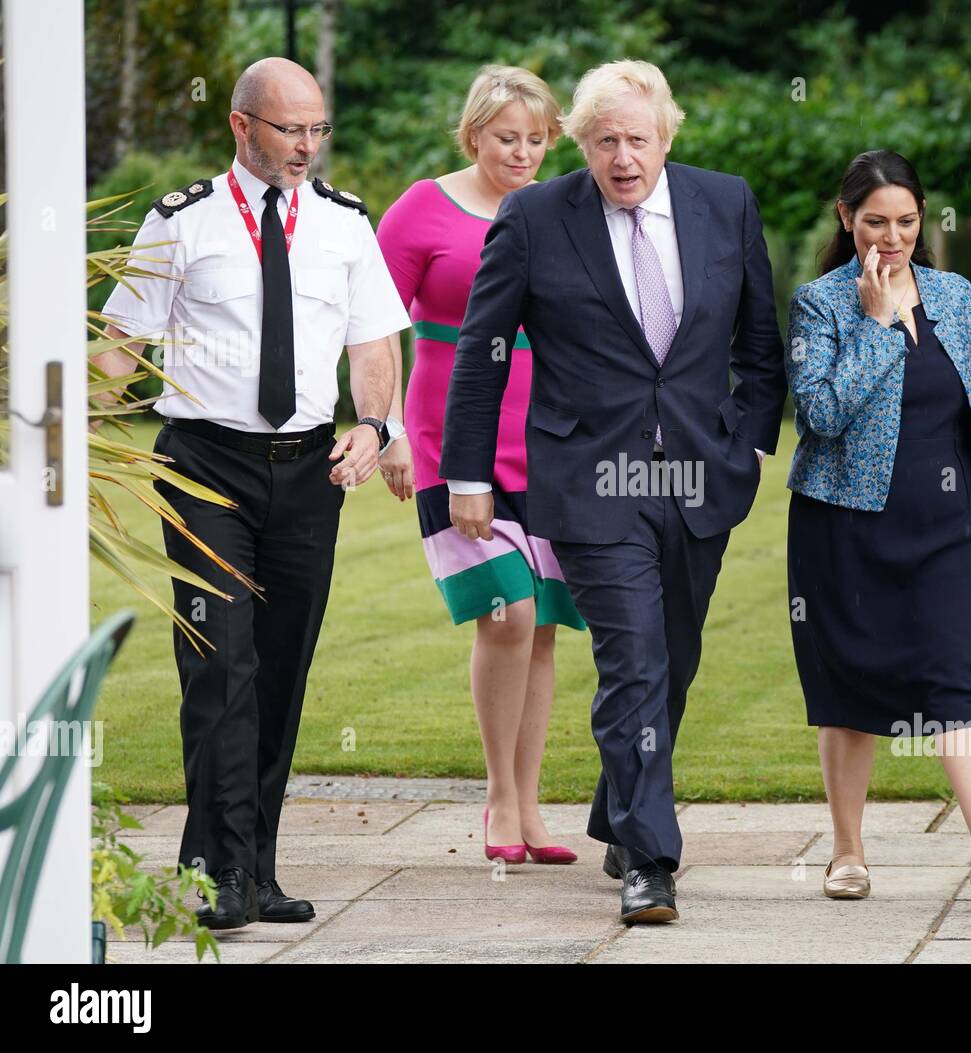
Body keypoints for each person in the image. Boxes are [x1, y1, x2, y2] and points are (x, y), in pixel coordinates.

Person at [439, 59, 787, 924]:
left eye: (636, 138)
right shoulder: (534, 217)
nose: (622, 157)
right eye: (603, 141)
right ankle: (649, 859)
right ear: (579, 144)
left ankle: (618, 810)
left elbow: (760, 348)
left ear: (666, 135)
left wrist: (743, 449)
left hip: (699, 473)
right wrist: (469, 475)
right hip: (591, 477)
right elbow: (481, 352)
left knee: (674, 655)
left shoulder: (726, 203)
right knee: (630, 654)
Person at [94, 57, 410, 929]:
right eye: (289, 129)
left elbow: (375, 344)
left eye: (317, 129)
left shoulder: (346, 224)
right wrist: (61, 412)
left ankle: (254, 870)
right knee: (220, 665)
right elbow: (119, 348)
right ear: (241, 125)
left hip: (310, 472)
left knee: (278, 668)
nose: (307, 145)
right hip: (203, 467)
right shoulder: (182, 222)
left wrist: (372, 426)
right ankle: (217, 874)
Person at [784, 149, 971, 903]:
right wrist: (874, 325)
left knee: (961, 677)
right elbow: (823, 417)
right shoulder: (821, 303)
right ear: (845, 218)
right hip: (846, 529)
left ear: (921, 219)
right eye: (875, 222)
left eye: (905, 221)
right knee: (849, 687)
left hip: (952, 524)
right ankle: (847, 853)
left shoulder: (954, 296)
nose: (891, 237)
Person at [375, 66, 582, 866]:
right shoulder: (420, 209)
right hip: (451, 437)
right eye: (507, 138)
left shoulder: (561, 208)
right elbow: (374, 326)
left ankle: (531, 808)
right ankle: (498, 795)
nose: (524, 153)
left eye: (536, 139)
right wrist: (387, 427)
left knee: (544, 630)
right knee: (508, 611)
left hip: (551, 441)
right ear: (472, 136)